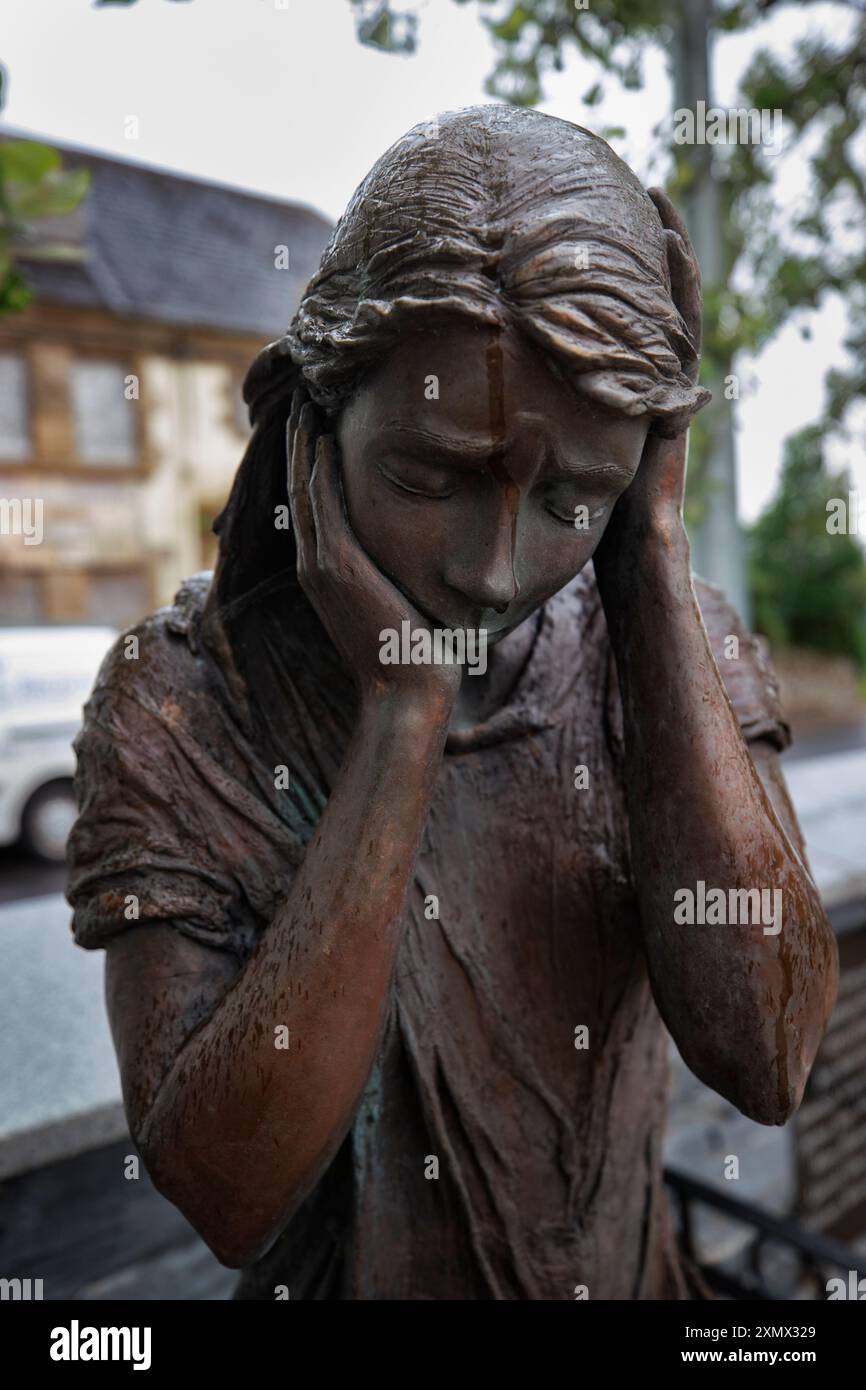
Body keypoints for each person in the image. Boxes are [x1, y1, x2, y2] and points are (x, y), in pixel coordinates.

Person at [66, 105, 838, 1300]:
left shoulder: (670, 645)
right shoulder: (179, 700)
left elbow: (768, 1055)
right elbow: (226, 1192)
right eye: (429, 474)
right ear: (315, 422)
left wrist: (644, 563)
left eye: (570, 497)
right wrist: (398, 722)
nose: (489, 569)